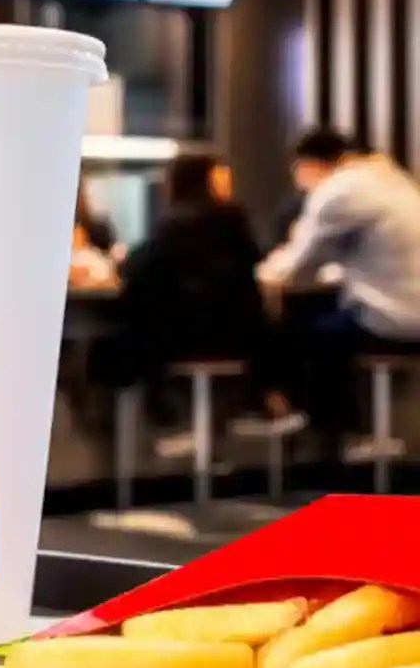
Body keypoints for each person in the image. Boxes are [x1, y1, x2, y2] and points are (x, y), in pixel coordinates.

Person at [259, 132, 420, 468]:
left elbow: (296, 265)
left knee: (302, 336)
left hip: (391, 319)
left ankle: (333, 433)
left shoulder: (339, 190)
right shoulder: (393, 180)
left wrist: (261, 273)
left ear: (309, 164)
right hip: (409, 311)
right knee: (324, 327)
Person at [113, 155, 278, 422]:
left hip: (185, 339)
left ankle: (156, 422)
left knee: (116, 346)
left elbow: (137, 270)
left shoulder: (173, 225)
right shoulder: (235, 221)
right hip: (241, 337)